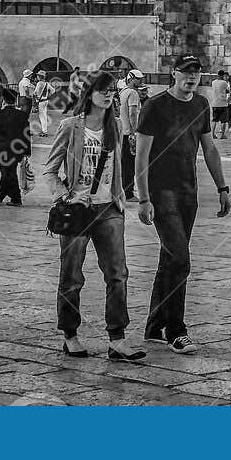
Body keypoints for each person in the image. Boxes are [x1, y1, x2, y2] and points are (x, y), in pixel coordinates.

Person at [44, 69, 145, 362]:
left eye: (112, 89)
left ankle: (117, 338)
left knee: (118, 275)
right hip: (77, 211)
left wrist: (121, 198)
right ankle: (70, 335)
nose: (108, 93)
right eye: (102, 89)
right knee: (72, 275)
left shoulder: (114, 127)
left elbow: (119, 167)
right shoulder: (70, 126)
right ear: (89, 93)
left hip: (109, 209)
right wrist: (65, 195)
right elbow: (50, 170)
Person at [135, 56, 230, 355]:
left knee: (170, 259)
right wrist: (143, 198)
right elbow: (141, 156)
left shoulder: (201, 105)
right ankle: (176, 329)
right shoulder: (155, 106)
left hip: (189, 192)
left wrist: (222, 187)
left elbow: (209, 147)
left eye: (196, 72)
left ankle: (153, 326)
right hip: (161, 192)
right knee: (180, 259)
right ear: (174, 74)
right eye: (186, 72)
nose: (191, 77)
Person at [0, 88, 31, 207]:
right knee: (9, 171)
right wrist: (27, 151)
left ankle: (15, 197)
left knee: (7, 172)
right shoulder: (22, 115)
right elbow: (26, 133)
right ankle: (2, 193)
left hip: (1, 148)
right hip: (17, 149)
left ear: (3, 100)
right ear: (15, 99)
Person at [117, 71, 144, 200]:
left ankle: (123, 191)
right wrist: (135, 132)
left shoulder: (123, 91)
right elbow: (133, 113)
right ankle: (128, 193)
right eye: (138, 79)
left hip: (123, 132)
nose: (141, 82)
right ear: (131, 79)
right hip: (130, 134)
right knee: (130, 165)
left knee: (124, 164)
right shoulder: (133, 93)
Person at [208, 72, 231, 139]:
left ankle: (212, 134)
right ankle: (222, 135)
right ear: (222, 76)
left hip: (215, 104)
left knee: (214, 120)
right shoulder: (224, 83)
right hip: (223, 104)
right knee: (223, 121)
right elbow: (228, 91)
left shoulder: (213, 82)